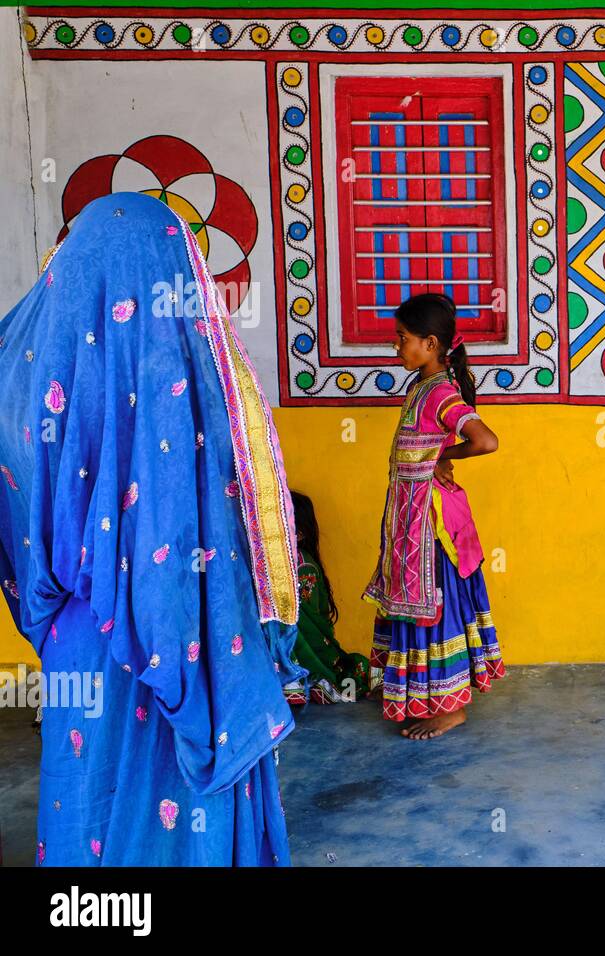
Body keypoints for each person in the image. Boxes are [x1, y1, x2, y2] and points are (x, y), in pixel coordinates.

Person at [0, 192, 303, 865]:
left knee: (89, 802)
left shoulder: (19, 381)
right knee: (183, 817)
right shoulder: (209, 379)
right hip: (199, 643)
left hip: (81, 642)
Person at [363, 293, 503, 739]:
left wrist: (446, 454)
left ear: (430, 342)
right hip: (410, 521)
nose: (396, 348)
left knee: (434, 603)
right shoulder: (420, 386)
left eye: (402, 339)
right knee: (419, 602)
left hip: (429, 527)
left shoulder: (440, 391)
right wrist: (438, 454)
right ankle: (424, 695)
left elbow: (486, 441)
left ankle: (450, 706)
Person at [281, 491, 368, 705]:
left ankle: (303, 676)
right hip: (307, 636)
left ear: (299, 534)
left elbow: (303, 617)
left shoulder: (303, 566)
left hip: (312, 641)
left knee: (285, 621)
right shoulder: (285, 561)